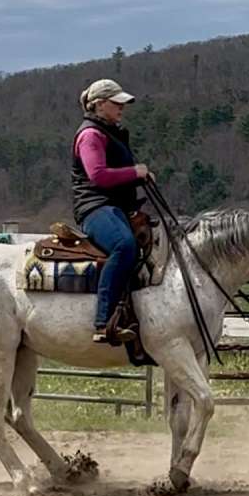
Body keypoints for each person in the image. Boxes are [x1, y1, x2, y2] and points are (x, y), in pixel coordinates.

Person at [71, 78, 154, 343]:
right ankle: (103, 320)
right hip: (95, 207)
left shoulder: (109, 133)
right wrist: (134, 172)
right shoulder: (90, 135)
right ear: (99, 105)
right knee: (124, 245)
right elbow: (98, 175)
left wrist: (139, 177)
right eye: (116, 103)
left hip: (114, 207)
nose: (122, 108)